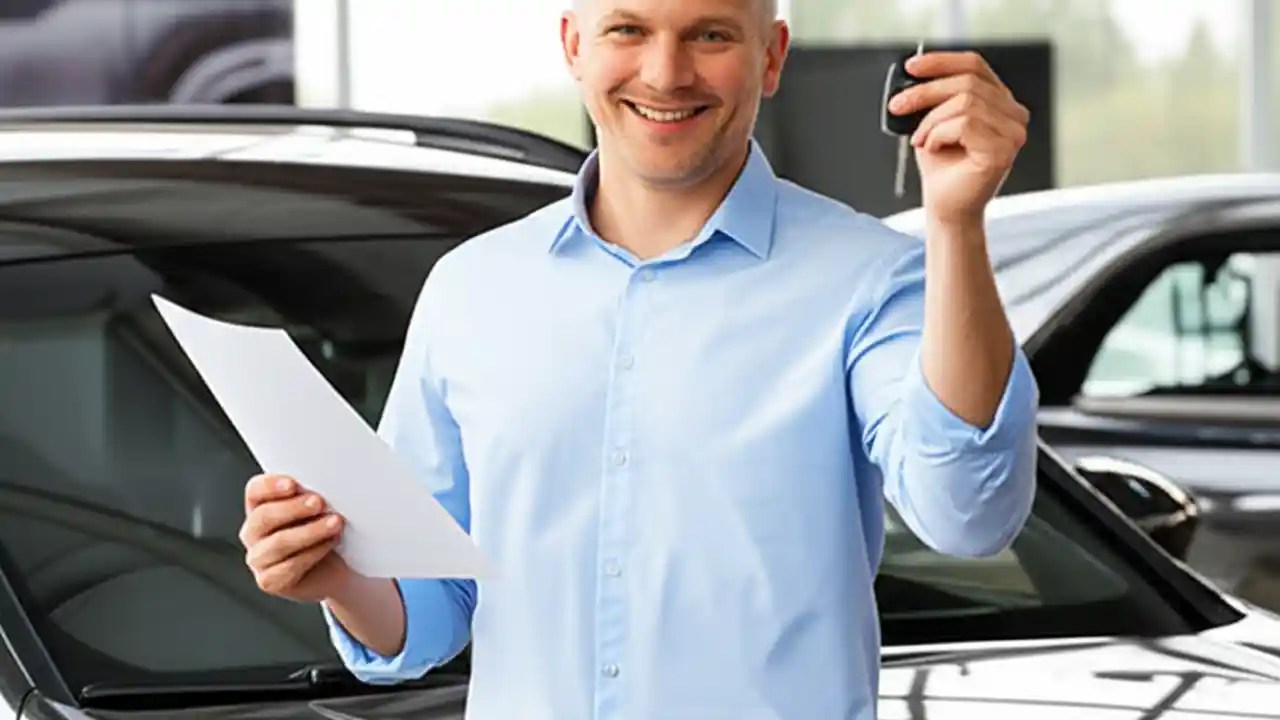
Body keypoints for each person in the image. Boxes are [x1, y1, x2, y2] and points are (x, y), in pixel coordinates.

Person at [237, 0, 1038, 717]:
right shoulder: (470, 290)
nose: (666, 72)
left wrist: (956, 224)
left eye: (710, 34)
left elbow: (968, 514)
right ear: (572, 44)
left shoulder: (869, 277)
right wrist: (336, 577)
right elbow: (432, 608)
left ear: (772, 55)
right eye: (629, 28)